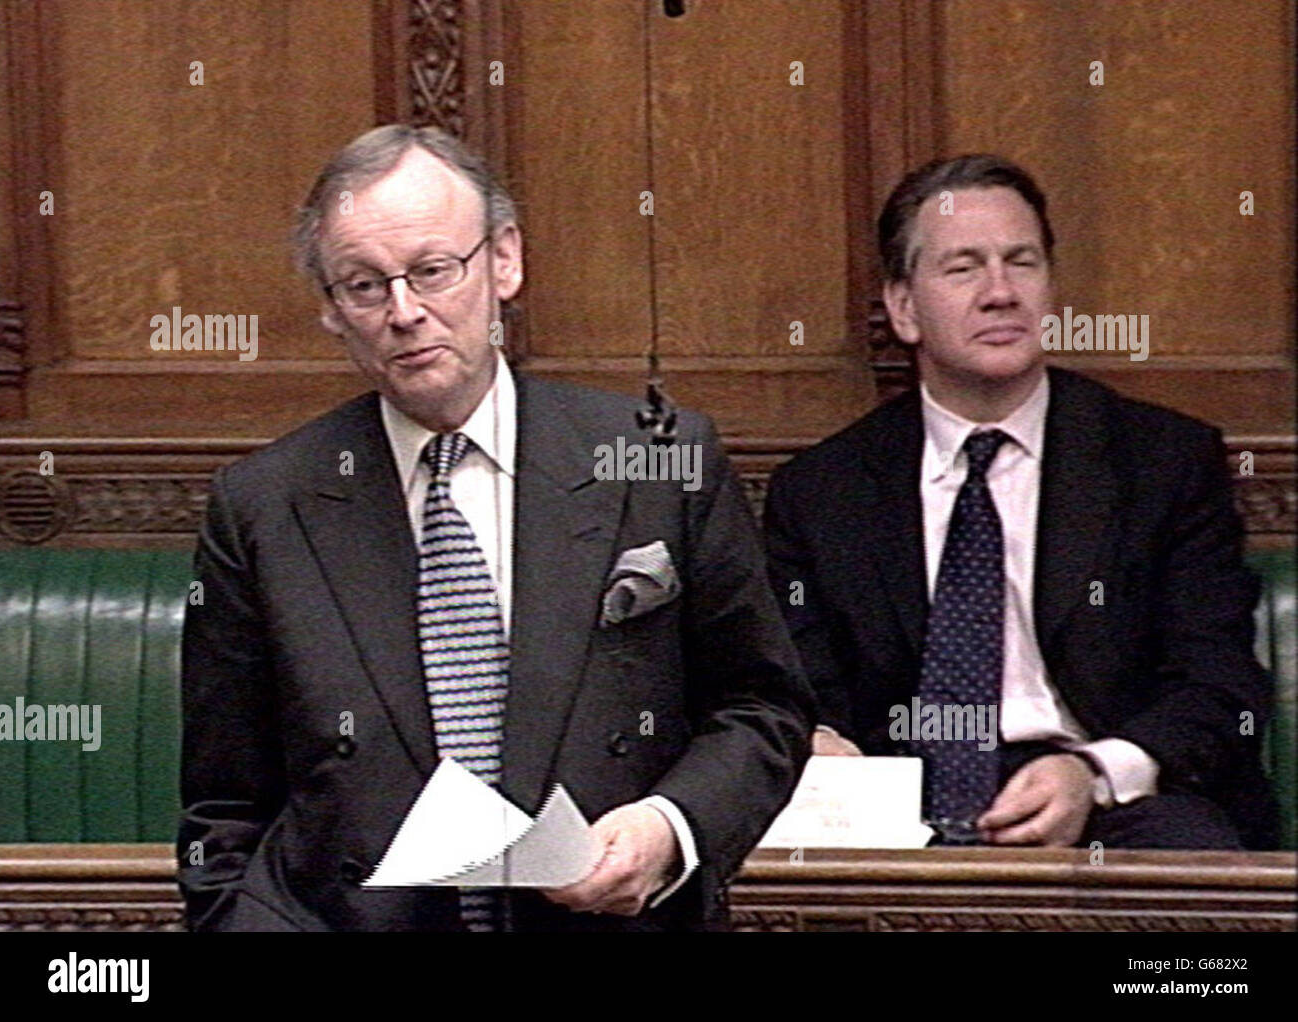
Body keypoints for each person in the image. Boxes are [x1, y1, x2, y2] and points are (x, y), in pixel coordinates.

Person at [177, 124, 812, 931]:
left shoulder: (659, 462)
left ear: (504, 260)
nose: (405, 312)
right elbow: (224, 804)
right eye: (365, 287)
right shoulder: (265, 505)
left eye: (433, 271)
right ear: (332, 311)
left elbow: (762, 708)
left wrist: (669, 829)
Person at [764, 154, 1276, 850]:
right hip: (897, 815)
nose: (1000, 292)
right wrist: (821, 744)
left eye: (1021, 261)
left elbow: (1219, 687)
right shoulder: (823, 492)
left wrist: (1092, 772)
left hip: (1114, 803)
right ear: (904, 308)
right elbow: (793, 691)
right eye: (963, 267)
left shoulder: (1161, 464)